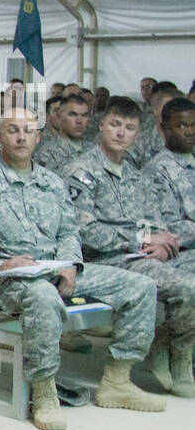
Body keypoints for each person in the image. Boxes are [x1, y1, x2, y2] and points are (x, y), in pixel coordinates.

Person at [0, 109, 166, 429]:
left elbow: (69, 233)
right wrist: (0, 264)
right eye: (12, 130)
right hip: (3, 279)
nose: (21, 137)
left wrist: (71, 265)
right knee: (43, 296)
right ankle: (44, 391)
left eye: (28, 131)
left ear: (38, 137)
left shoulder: (51, 182)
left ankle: (117, 381)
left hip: (54, 269)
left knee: (140, 286)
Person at [64, 97, 195, 396]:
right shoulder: (82, 172)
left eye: (129, 128)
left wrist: (161, 244)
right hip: (103, 261)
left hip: (141, 257)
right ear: (101, 126)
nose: (121, 133)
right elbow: (83, 231)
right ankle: (174, 349)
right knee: (189, 288)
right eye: (115, 125)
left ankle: (171, 346)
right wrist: (142, 240)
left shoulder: (135, 174)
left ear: (138, 134)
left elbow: (154, 221)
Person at [145, 97, 195, 265]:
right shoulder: (157, 170)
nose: (189, 132)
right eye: (181, 126)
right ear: (163, 128)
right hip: (181, 254)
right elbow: (168, 227)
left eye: (193, 125)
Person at [32, 93, 90, 177]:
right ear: (59, 117)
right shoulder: (46, 153)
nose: (79, 121)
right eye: (73, 115)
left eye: (84, 115)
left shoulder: (94, 149)